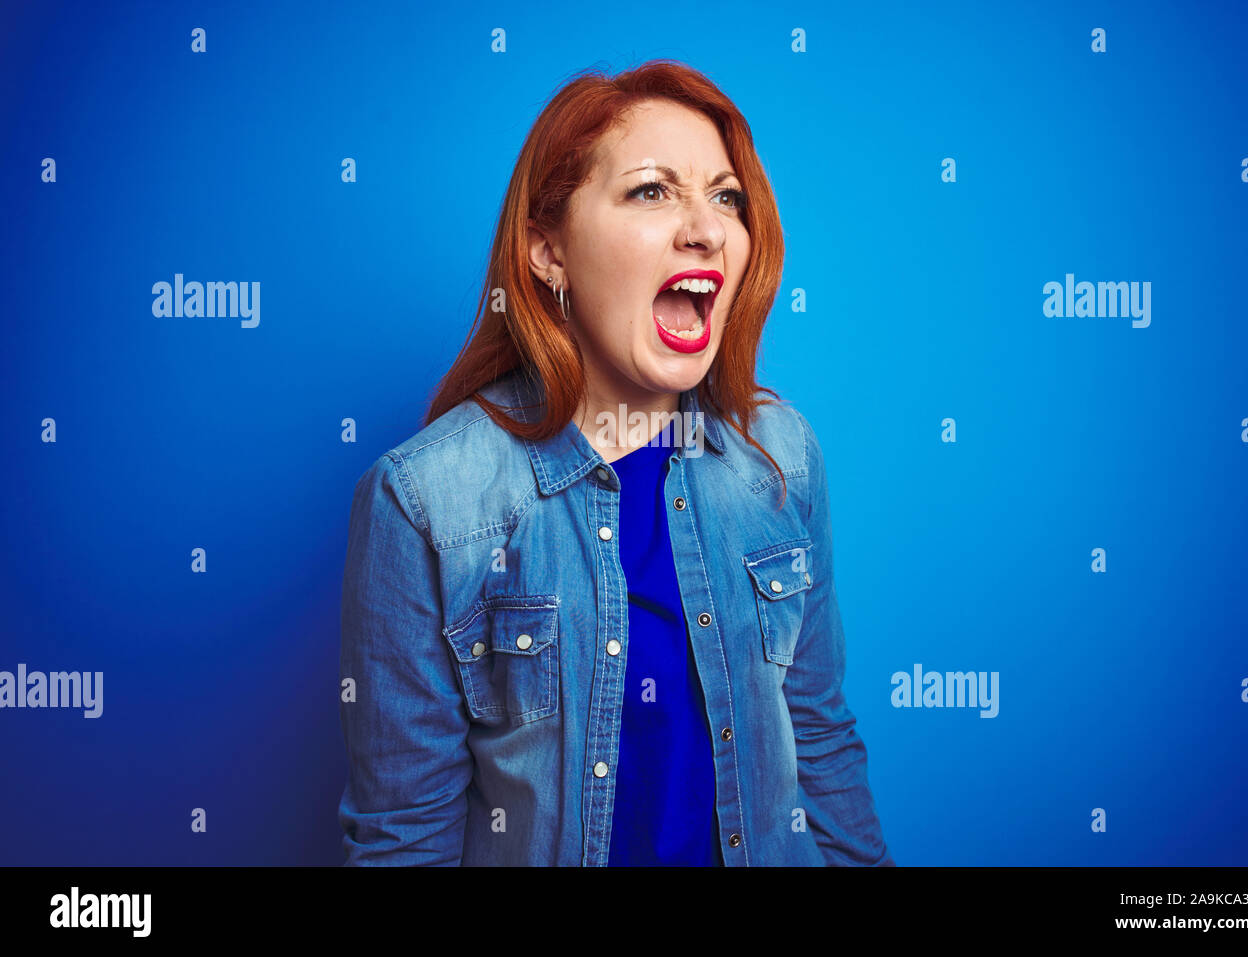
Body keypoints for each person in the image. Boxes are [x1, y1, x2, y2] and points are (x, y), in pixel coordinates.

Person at [338, 59, 894, 866]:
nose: (705, 228)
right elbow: (403, 842)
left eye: (725, 197)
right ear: (546, 252)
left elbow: (822, 743)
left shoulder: (780, 456)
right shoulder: (427, 500)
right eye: (652, 190)